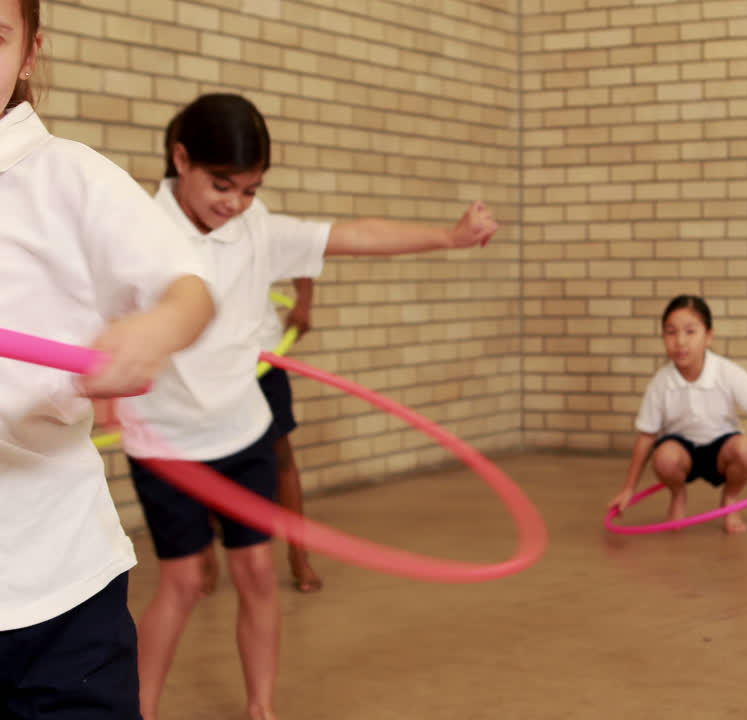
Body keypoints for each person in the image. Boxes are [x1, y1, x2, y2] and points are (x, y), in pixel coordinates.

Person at [116, 93, 497, 720]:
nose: (235, 203)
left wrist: (449, 237)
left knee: (259, 575)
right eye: (222, 185)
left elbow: (349, 235)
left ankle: (261, 707)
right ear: (179, 158)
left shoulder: (256, 226)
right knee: (181, 584)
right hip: (165, 442)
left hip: (241, 432)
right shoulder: (137, 227)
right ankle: (140, 711)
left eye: (250, 188)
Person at [0, 1, 215, 717]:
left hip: (59, 589)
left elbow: (188, 290)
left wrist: (153, 332)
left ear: (29, 53)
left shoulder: (67, 177)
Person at [607, 295, 747, 534]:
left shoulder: (725, 372)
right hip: (681, 452)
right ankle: (677, 495)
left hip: (721, 449)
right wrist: (629, 488)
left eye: (690, 332)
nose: (680, 341)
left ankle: (730, 499)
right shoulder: (661, 382)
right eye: (671, 332)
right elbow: (646, 436)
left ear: (708, 336)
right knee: (663, 457)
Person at [200, 279, 323, 595]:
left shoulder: (259, 229)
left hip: (261, 355)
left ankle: (299, 555)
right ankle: (205, 558)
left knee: (281, 454)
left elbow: (304, 255)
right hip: (201, 362)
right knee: (202, 460)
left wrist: (304, 304)